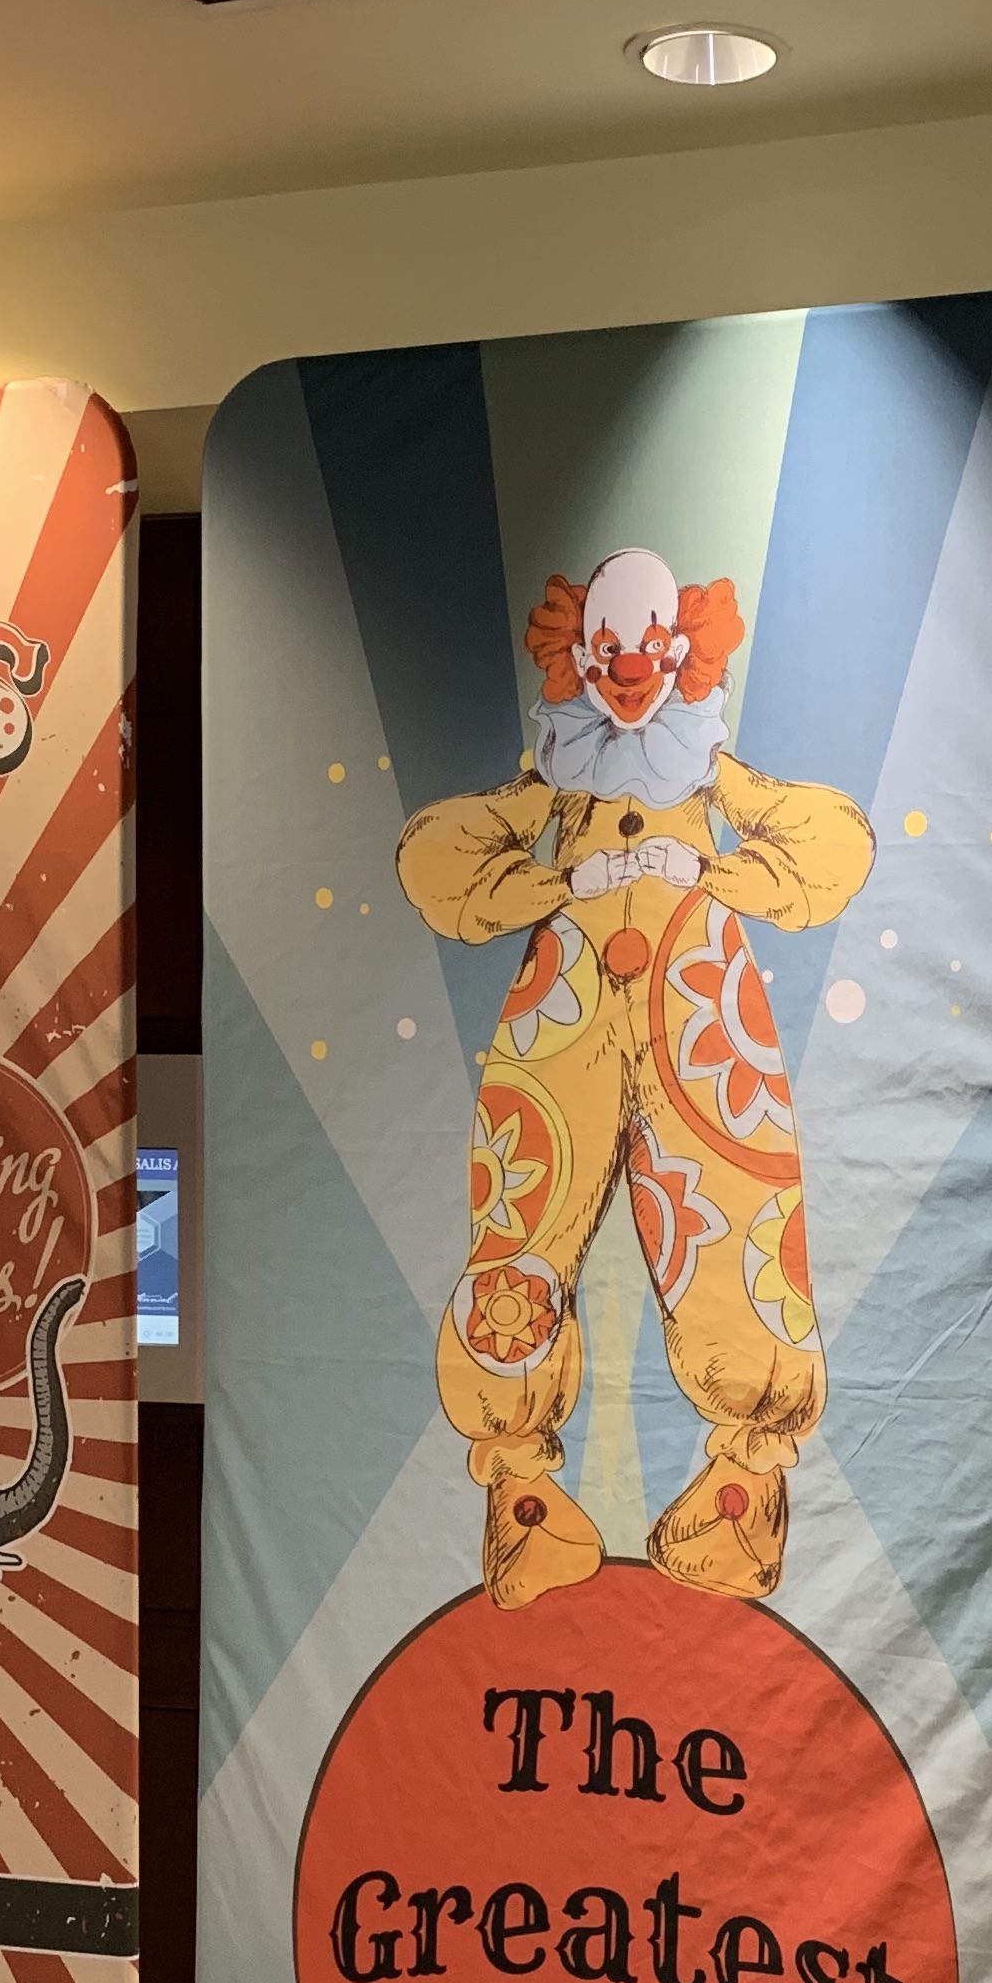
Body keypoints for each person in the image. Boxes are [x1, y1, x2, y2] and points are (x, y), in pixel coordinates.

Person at [396, 548, 873, 1610]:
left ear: (680, 652)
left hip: (696, 1011)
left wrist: (714, 869)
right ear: (579, 657)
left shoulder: (709, 771)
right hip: (563, 1016)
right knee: (522, 1222)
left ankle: (738, 1503)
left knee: (733, 1216)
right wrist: (556, 880)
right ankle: (525, 1509)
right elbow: (437, 859)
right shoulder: (554, 779)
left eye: (647, 649)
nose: (626, 673)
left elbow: (828, 846)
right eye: (606, 651)